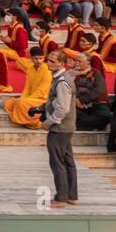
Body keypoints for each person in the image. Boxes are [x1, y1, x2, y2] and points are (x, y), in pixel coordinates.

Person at [38, 49, 77, 207]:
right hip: (66, 126)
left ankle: (61, 197)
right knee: (68, 161)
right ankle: (71, 195)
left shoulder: (62, 81)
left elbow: (62, 108)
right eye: (49, 60)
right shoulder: (61, 79)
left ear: (61, 63)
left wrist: (49, 122)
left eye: (53, 61)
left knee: (57, 162)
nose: (49, 63)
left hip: (60, 127)